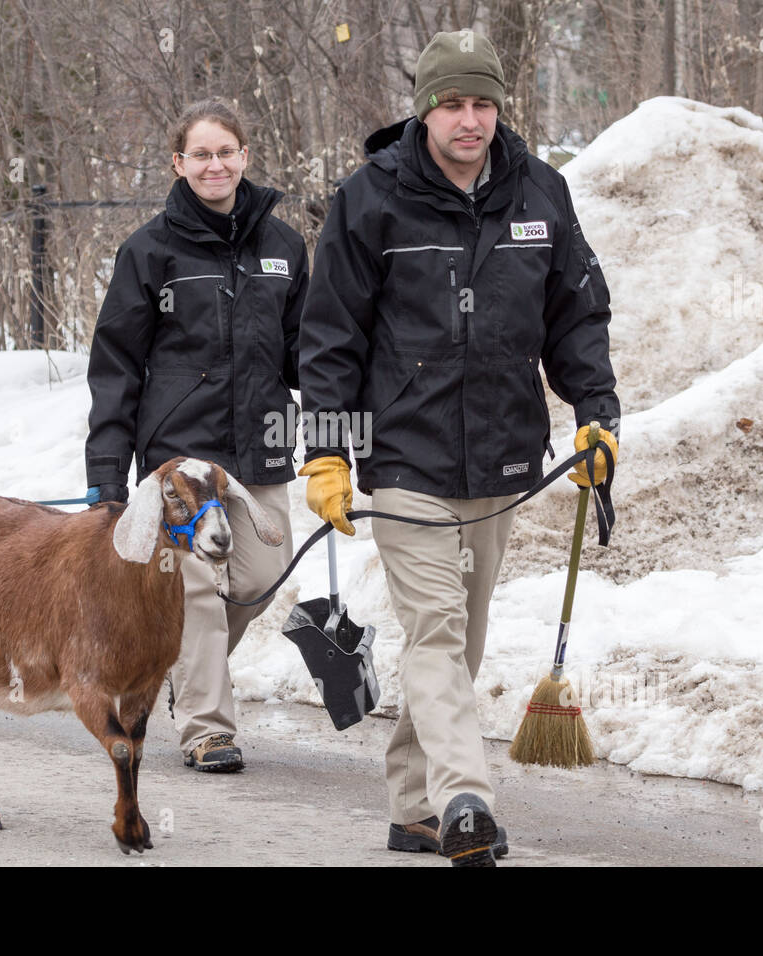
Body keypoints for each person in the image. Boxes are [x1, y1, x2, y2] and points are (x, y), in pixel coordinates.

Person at [297, 31, 620, 865]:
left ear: (499, 107)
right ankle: (466, 800)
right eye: (452, 104)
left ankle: (412, 809)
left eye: (482, 103)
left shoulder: (540, 194)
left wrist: (596, 414)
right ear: (425, 109)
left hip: (504, 460)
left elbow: (576, 316)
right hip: (405, 460)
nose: (468, 120)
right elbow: (329, 336)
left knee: (459, 646)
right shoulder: (371, 199)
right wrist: (328, 453)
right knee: (436, 630)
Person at [85, 99, 305, 772]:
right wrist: (105, 470)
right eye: (201, 154)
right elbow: (116, 365)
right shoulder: (149, 250)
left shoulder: (285, 246)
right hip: (181, 457)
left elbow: (311, 355)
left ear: (245, 157)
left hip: (260, 448)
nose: (216, 165)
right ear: (179, 164)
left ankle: (178, 668)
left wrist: (341, 429)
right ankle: (208, 728)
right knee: (198, 589)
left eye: (226, 151)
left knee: (260, 576)